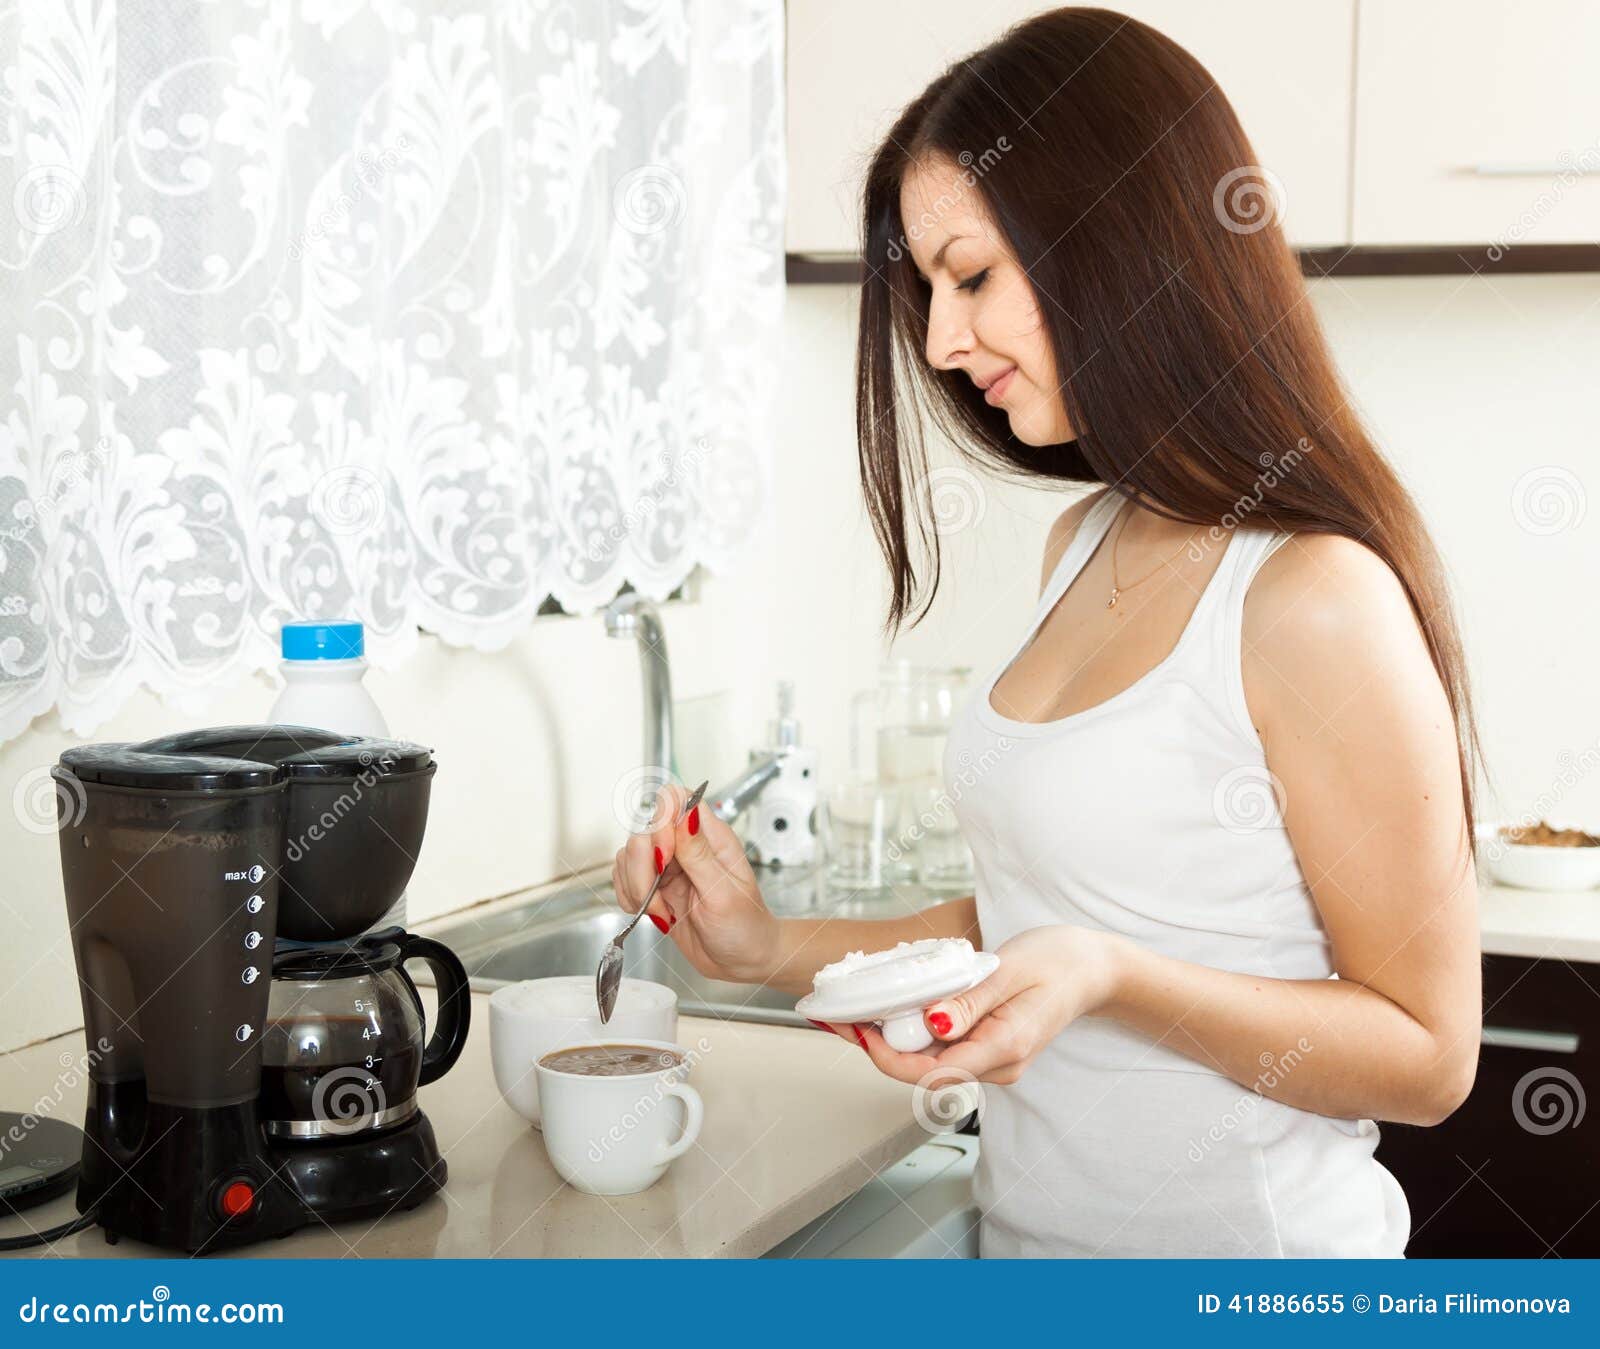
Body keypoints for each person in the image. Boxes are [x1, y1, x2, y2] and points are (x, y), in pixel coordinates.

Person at [611, 7, 1480, 1258]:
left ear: (1118, 240)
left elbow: (1428, 1053)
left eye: (971, 277)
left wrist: (1114, 976)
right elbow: (1045, 909)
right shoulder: (1080, 544)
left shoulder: (1310, 592)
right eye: (927, 289)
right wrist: (764, 947)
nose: (939, 340)